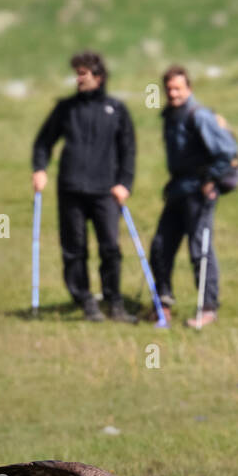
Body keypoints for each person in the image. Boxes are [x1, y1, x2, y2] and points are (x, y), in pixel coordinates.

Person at [31, 51, 136, 323]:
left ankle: (114, 302)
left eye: (82, 74)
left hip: (106, 191)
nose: (77, 79)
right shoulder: (65, 109)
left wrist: (124, 183)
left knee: (110, 247)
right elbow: (44, 141)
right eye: (76, 73)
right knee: (74, 249)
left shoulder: (116, 109)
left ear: (98, 77)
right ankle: (85, 300)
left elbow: (128, 151)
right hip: (71, 189)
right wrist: (40, 168)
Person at [148, 65, 238, 328]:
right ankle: (162, 305)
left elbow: (227, 152)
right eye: (169, 89)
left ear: (189, 88)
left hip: (199, 192)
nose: (173, 93)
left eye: (178, 88)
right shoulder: (170, 116)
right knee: (160, 246)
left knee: (200, 249)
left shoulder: (199, 116)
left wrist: (210, 180)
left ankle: (207, 309)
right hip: (178, 190)